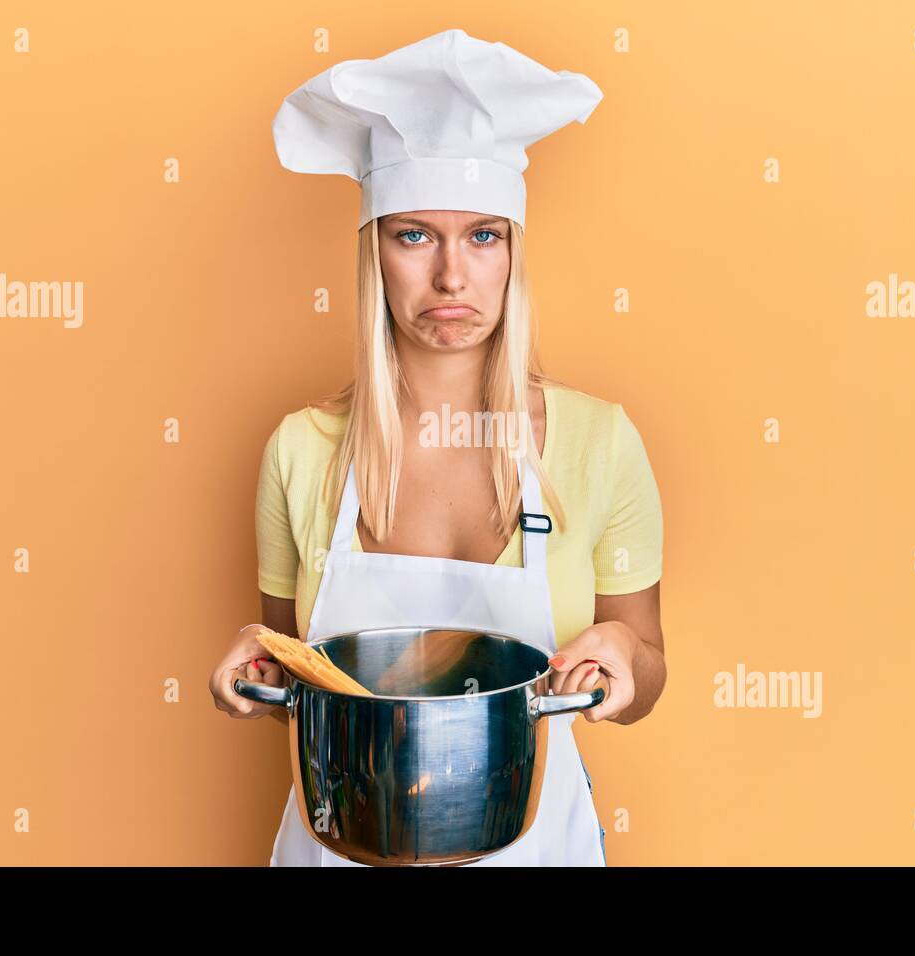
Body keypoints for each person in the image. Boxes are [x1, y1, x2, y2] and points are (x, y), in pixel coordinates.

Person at [208, 28, 666, 866]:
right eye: (414, 235)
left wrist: (625, 659)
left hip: (535, 841)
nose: (452, 277)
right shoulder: (301, 453)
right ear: (373, 254)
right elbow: (297, 676)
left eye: (483, 236)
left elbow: (645, 670)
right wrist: (258, 669)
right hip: (337, 845)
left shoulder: (599, 442)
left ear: (513, 254)